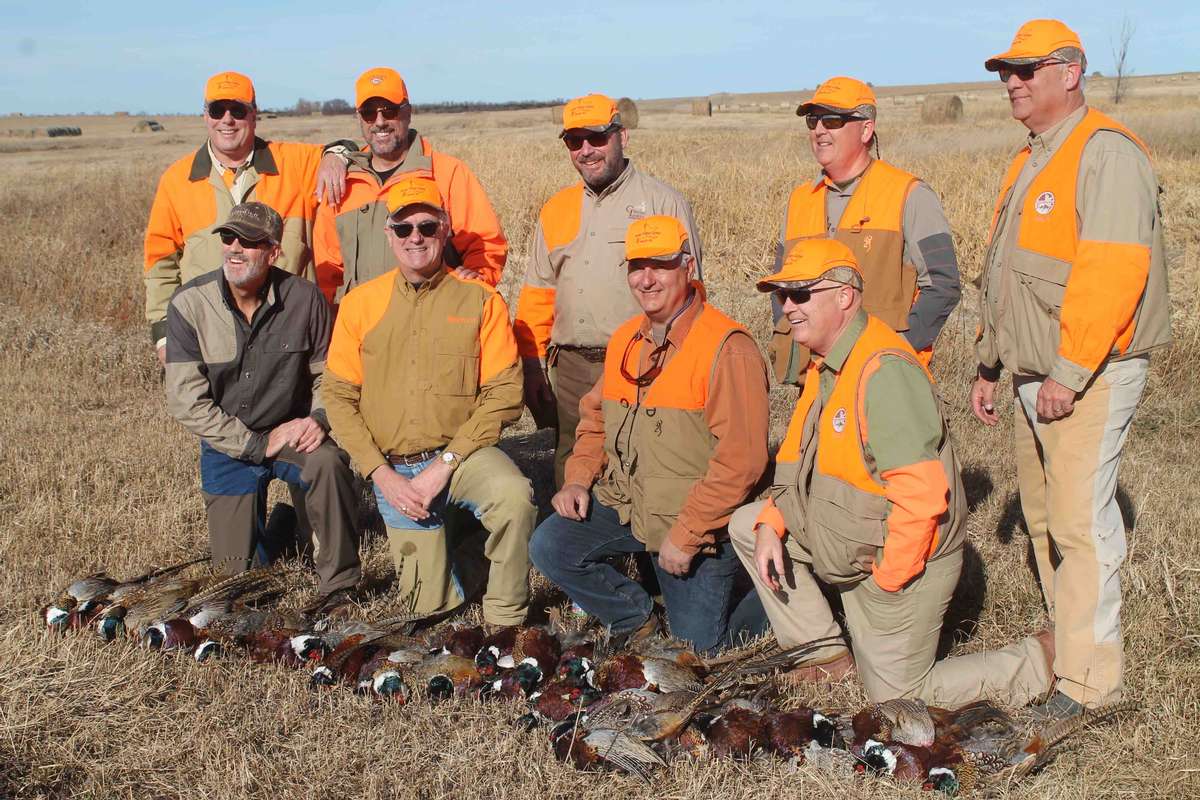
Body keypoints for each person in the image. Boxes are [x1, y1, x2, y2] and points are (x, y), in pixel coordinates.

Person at [730, 238, 1054, 705]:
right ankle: (824, 657)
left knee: (897, 697)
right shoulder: (826, 366)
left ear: (844, 296)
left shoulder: (883, 371)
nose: (788, 307)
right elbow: (797, 466)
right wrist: (771, 524)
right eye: (782, 296)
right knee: (748, 523)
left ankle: (1039, 660)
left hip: (896, 559)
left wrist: (888, 580)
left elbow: (922, 496)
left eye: (801, 294)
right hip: (848, 537)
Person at [971, 19, 1170, 719]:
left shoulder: (1105, 153)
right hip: (1032, 373)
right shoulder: (1032, 159)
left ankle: (1090, 685)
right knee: (1047, 518)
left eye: (1027, 70)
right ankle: (1069, 645)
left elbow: (1111, 275)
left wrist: (1068, 372)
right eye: (1006, 73)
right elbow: (1007, 274)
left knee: (1083, 524)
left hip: (1085, 373)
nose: (1012, 84)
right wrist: (990, 361)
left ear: (1071, 72)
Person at [530, 216, 768, 655]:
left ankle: (778, 596)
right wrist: (579, 478)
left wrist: (687, 534)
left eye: (660, 264)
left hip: (690, 519)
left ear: (688, 266)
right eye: (636, 266)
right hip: (630, 503)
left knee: (700, 652)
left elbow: (743, 461)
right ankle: (634, 617)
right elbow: (594, 417)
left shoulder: (727, 347)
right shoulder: (626, 338)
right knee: (550, 544)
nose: (646, 278)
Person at [322, 176, 535, 627]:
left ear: (446, 228)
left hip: (461, 457)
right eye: (403, 228)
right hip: (395, 470)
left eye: (426, 226)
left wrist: (446, 464)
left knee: (514, 497)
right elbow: (338, 397)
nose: (415, 237)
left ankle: (505, 620)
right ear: (389, 234)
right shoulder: (360, 304)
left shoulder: (482, 300)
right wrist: (382, 475)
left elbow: (504, 394)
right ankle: (472, 547)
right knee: (428, 606)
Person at [164, 202, 361, 613]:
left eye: (250, 242)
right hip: (229, 446)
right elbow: (187, 401)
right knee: (234, 585)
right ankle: (283, 526)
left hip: (293, 433)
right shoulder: (189, 303)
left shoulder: (306, 299)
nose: (235, 248)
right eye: (229, 238)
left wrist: (318, 418)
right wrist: (256, 444)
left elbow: (331, 376)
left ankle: (338, 585)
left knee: (329, 463)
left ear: (273, 252)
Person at [513, 93, 703, 487]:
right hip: (570, 368)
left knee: (642, 461)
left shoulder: (661, 203)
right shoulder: (556, 209)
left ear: (623, 136)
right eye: (574, 141)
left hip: (642, 362)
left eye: (597, 137)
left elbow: (693, 295)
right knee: (573, 458)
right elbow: (538, 292)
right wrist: (532, 364)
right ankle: (573, 542)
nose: (586, 150)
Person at [145, 70, 350, 362]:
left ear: (254, 115)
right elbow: (160, 265)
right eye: (217, 110)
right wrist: (165, 336)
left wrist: (335, 156)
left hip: (288, 341)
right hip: (208, 341)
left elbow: (355, 150)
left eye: (238, 110)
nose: (227, 119)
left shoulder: (295, 164)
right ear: (205, 116)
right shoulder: (177, 180)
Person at [769, 76, 960, 384]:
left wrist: (896, 351)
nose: (819, 130)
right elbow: (781, 288)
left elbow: (943, 284)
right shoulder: (798, 201)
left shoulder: (909, 194)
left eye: (832, 120)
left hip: (883, 383)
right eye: (813, 120)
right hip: (812, 381)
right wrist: (791, 340)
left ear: (866, 129)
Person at [313, 67, 508, 303]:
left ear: (408, 112)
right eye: (369, 113)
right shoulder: (341, 183)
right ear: (359, 118)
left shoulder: (446, 173)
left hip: (434, 321)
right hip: (362, 329)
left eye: (390, 111)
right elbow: (327, 270)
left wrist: (475, 286)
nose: (380, 122)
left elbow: (486, 245)